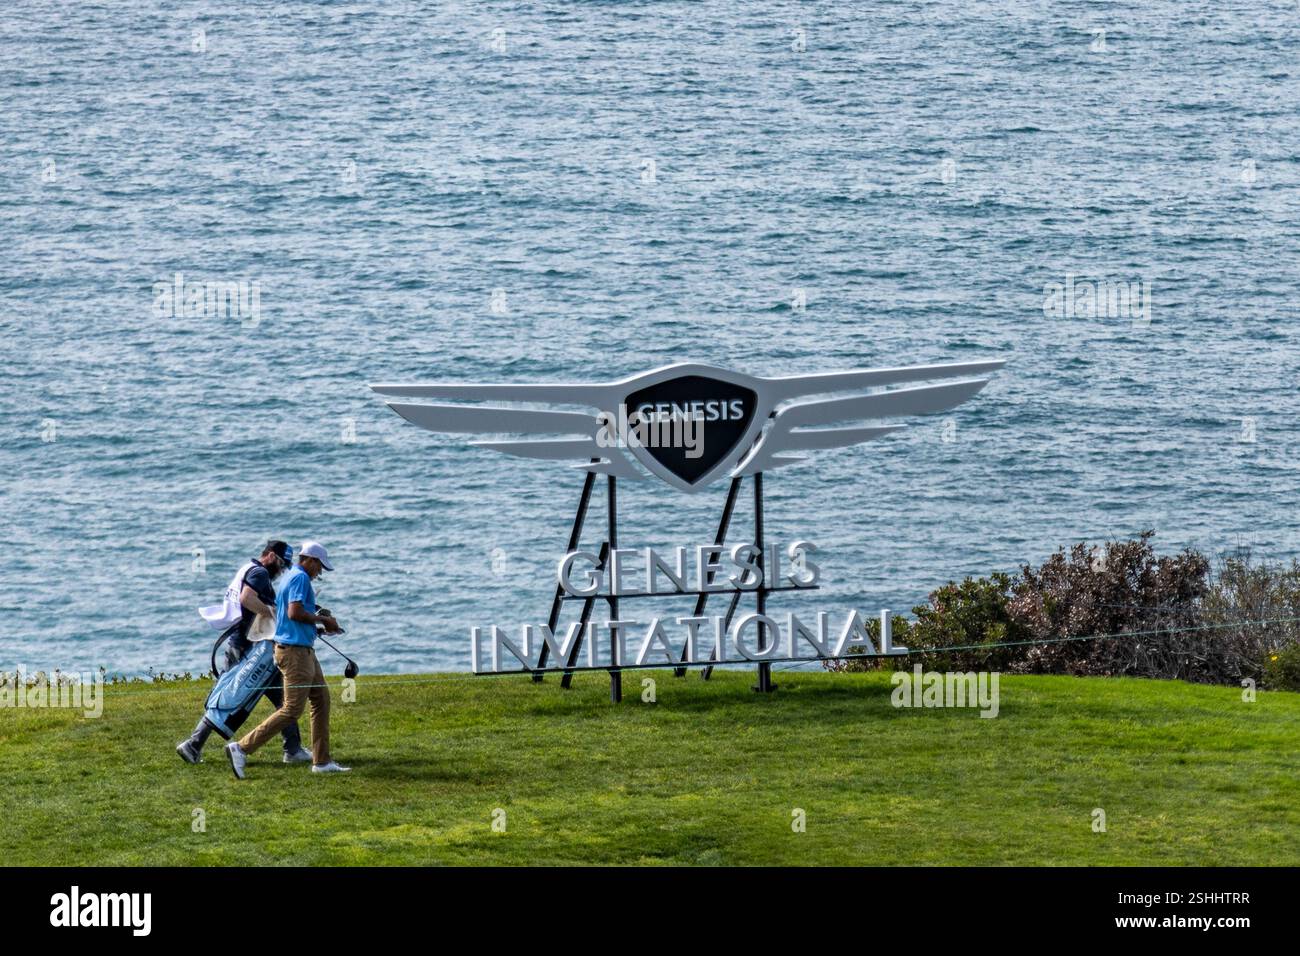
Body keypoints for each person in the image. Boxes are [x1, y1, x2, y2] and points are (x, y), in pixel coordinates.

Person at [176, 541, 312, 765]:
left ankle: (293, 748)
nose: (282, 570)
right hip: (248, 649)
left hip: (245, 647)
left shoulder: (248, 568)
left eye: (286, 566)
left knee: (283, 700)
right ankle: (192, 745)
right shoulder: (259, 573)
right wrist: (271, 613)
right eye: (280, 563)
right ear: (269, 555)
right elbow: (246, 599)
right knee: (229, 697)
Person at [226, 541, 350, 778]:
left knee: (321, 700)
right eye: (320, 566)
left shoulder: (291, 576)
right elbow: (294, 612)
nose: (320, 572)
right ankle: (241, 748)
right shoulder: (301, 578)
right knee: (292, 710)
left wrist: (319, 625)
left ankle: (321, 761)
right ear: (310, 560)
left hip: (303, 649)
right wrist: (324, 621)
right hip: (294, 653)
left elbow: (290, 615)